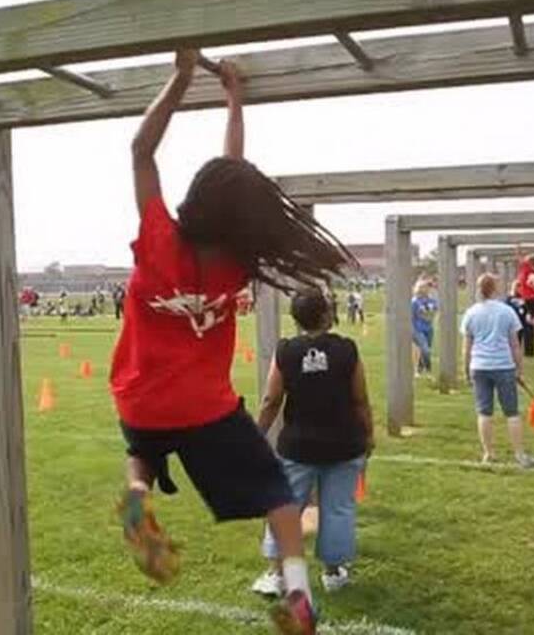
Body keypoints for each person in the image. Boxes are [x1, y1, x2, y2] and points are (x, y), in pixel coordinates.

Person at [111, 50, 355, 634]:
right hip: (204, 409)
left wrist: (182, 75)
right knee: (276, 491)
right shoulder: (238, 263)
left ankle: (137, 497)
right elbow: (234, 168)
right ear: (243, 216)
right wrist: (235, 97)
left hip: (139, 396)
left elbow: (141, 150)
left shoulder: (158, 240)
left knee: (143, 449)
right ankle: (295, 595)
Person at [252, 289, 373, 596]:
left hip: (298, 447)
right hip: (345, 443)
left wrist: (256, 435)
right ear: (326, 315)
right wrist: (368, 435)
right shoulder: (347, 349)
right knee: (338, 509)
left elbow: (271, 400)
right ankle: (333, 574)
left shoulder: (286, 351)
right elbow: (360, 400)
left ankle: (277, 576)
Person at [461, 273, 534, 468]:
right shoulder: (507, 312)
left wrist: (465, 370)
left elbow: (466, 347)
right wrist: (519, 369)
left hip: (479, 367)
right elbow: (515, 344)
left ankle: (488, 453)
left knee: (484, 412)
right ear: (495, 289)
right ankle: (520, 455)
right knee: (511, 413)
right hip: (503, 366)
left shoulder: (471, 313)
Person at [514, 248, 534, 357]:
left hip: (529, 297)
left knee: (532, 318)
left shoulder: (526, 269)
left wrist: (517, 248)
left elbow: (520, 259)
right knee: (529, 318)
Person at [410, 279, 438, 375]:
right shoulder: (414, 302)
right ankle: (429, 369)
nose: (425, 289)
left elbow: (435, 309)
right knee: (425, 349)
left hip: (429, 329)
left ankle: (419, 369)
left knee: (425, 350)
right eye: (422, 287)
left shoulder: (432, 300)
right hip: (417, 329)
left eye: (426, 287)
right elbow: (411, 316)